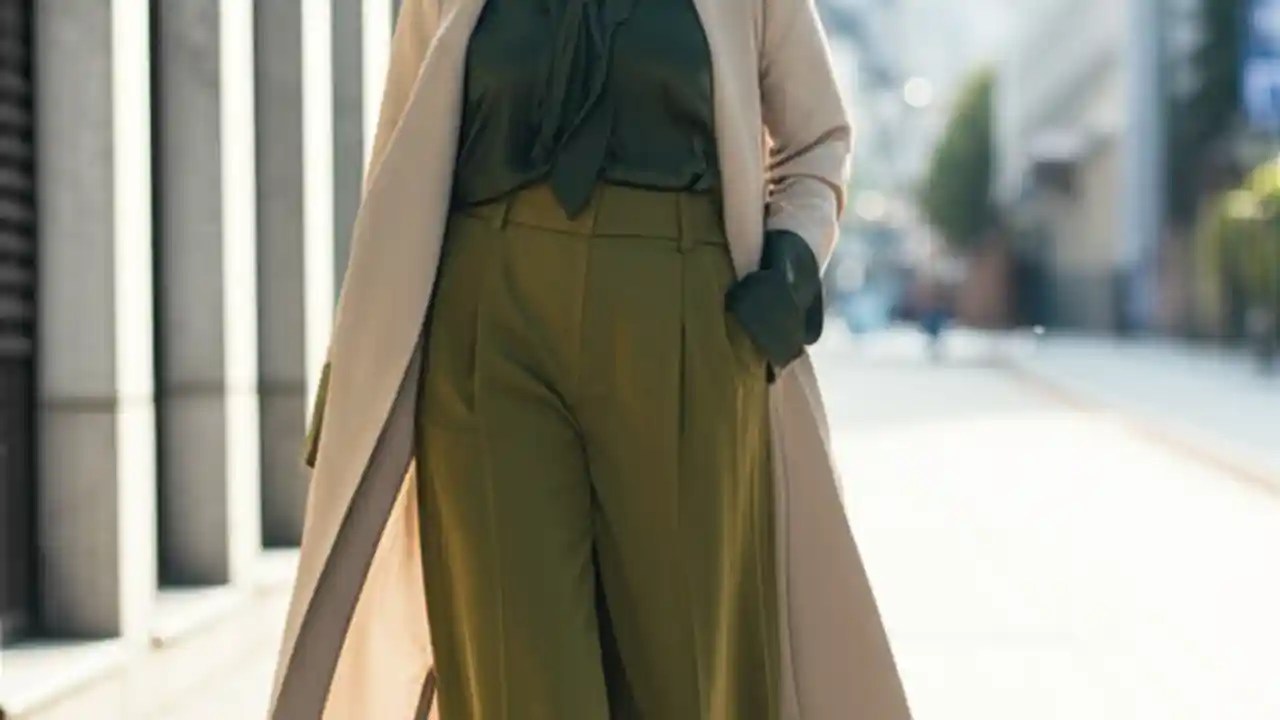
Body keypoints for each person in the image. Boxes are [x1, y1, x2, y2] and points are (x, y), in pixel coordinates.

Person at [269, 0, 911, 718]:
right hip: (487, 333)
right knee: (516, 676)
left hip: (687, 327)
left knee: (691, 676)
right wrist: (360, 362)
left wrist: (790, 265)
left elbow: (818, 138)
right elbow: (399, 155)